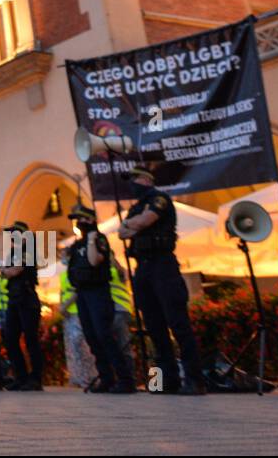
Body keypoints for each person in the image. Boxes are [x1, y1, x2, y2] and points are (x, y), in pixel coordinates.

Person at [117, 165, 205, 395]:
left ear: (146, 179)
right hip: (143, 267)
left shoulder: (159, 198)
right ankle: (166, 380)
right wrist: (131, 225)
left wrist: (132, 225)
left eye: (134, 178)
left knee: (178, 323)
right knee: (154, 327)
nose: (131, 184)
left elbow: (144, 221)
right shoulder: (135, 207)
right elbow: (122, 233)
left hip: (163, 265)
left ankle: (194, 380)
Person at [66, 204, 134, 393]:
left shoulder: (99, 239)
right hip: (83, 294)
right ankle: (106, 378)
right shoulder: (76, 244)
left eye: (81, 219)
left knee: (104, 335)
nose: (78, 223)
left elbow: (95, 260)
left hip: (98, 293)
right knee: (91, 337)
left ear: (90, 220)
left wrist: (91, 240)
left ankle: (125, 379)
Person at [0, 221, 44, 391]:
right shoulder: (14, 252)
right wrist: (5, 270)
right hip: (14, 300)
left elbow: (14, 270)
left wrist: (4, 270)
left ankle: (35, 379)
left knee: (31, 339)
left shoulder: (29, 251)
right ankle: (21, 376)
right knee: (10, 338)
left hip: (27, 300)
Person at [58, 250, 92, 389]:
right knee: (71, 347)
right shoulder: (63, 275)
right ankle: (76, 377)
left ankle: (87, 377)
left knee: (80, 345)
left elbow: (77, 292)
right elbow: (63, 292)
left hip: (77, 311)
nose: (62, 258)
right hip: (67, 315)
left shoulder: (76, 271)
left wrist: (65, 306)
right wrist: (61, 307)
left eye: (64, 255)